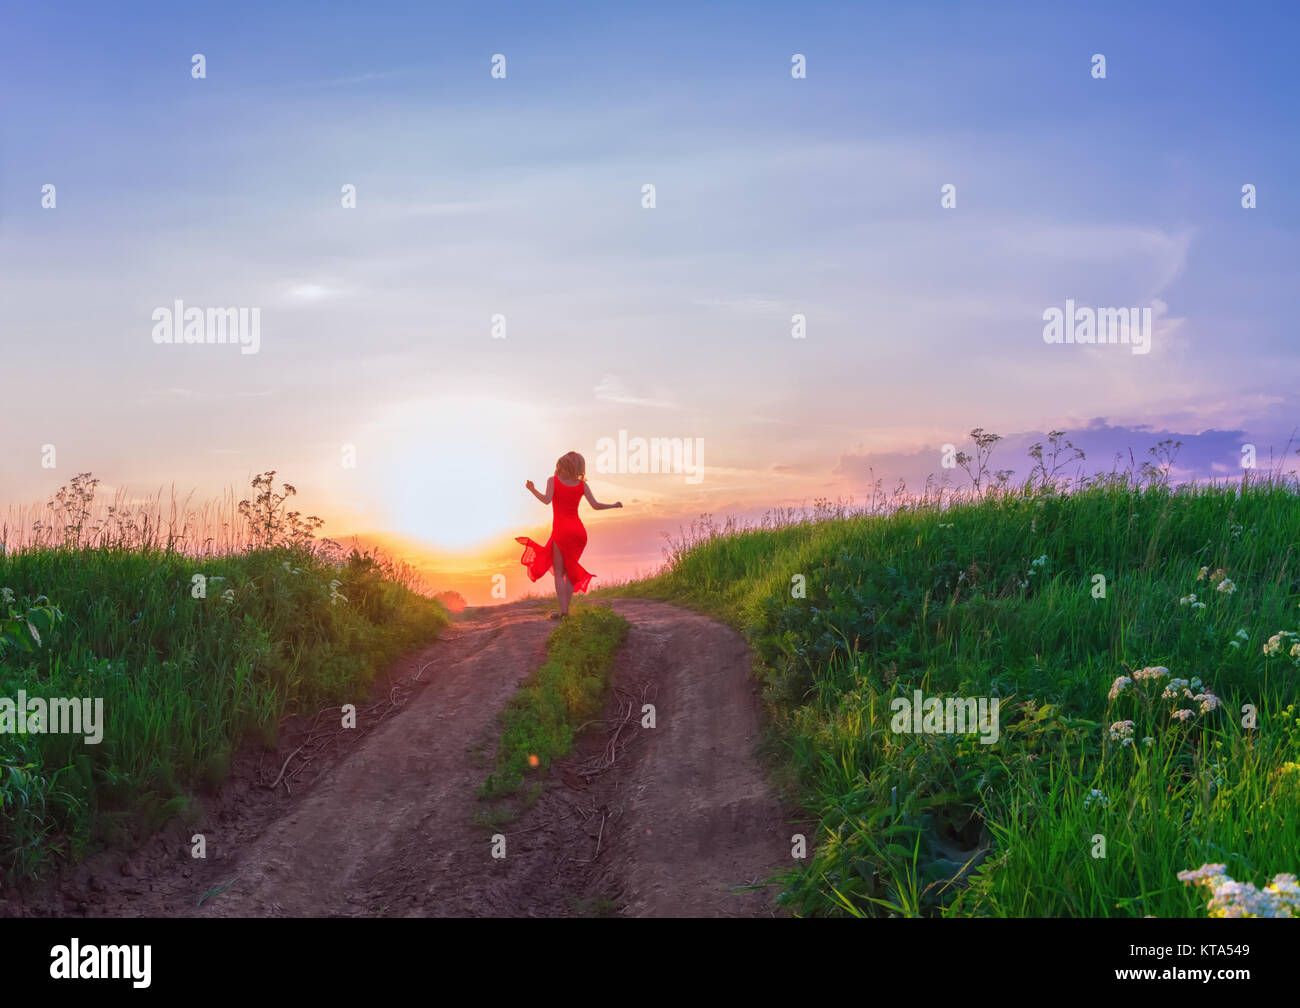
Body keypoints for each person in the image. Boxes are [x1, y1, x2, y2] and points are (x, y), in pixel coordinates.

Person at [516, 451, 622, 618]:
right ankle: (565, 611)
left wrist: (532, 489)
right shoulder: (582, 485)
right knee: (570, 570)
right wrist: (614, 505)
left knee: (559, 572)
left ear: (562, 464)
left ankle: (564, 612)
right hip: (578, 533)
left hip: (562, 531)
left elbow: (546, 500)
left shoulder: (553, 481)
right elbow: (595, 505)